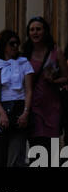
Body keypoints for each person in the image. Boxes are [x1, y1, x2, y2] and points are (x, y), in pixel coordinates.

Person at [0, 29, 34, 168]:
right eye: (12, 43)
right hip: (0, 109)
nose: (16, 46)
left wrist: (26, 113)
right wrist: (2, 114)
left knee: (17, 154)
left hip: (19, 108)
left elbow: (29, 90)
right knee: (0, 153)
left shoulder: (24, 63)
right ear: (3, 45)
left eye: (17, 43)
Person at [22, 16, 67, 148]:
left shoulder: (56, 52)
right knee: (36, 148)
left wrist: (54, 80)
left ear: (45, 31)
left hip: (52, 107)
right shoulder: (25, 54)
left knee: (52, 148)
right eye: (31, 30)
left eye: (38, 29)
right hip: (33, 107)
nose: (35, 32)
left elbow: (66, 77)